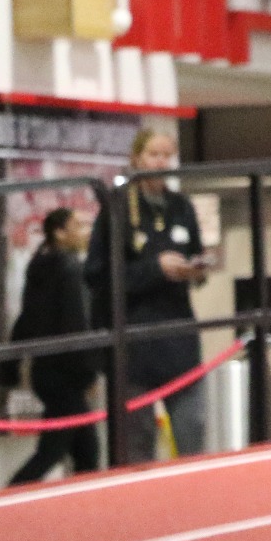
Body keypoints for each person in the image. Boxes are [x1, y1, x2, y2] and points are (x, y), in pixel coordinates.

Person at [86, 129, 209, 462]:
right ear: (137, 158)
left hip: (179, 340)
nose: (161, 162)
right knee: (136, 445)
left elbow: (196, 253)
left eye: (167, 155)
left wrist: (196, 269)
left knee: (193, 430)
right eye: (154, 154)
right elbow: (97, 275)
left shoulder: (181, 206)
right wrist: (155, 269)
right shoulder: (117, 208)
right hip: (134, 346)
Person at [2, 208, 101, 485]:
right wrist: (88, 372)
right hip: (66, 374)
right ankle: (11, 495)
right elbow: (75, 323)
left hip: (46, 371)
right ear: (59, 233)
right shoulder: (69, 269)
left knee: (86, 451)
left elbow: (26, 318)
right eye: (77, 226)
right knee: (52, 451)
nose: (85, 232)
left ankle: (85, 504)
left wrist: (10, 365)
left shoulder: (39, 267)